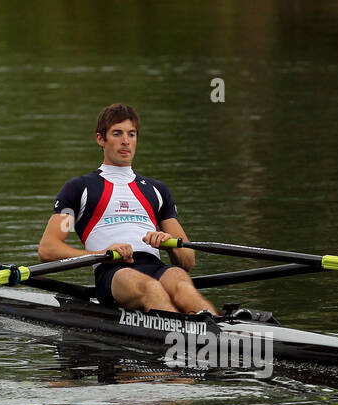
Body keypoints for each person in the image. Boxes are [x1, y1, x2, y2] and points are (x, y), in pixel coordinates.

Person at [37, 103, 216, 315]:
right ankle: (185, 337)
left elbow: (187, 260)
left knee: (183, 288)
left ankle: (223, 333)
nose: (125, 141)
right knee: (151, 289)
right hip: (113, 271)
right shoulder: (78, 189)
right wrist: (100, 254)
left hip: (156, 266)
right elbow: (48, 248)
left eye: (131, 134)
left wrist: (167, 244)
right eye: (117, 133)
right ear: (100, 139)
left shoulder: (157, 190)